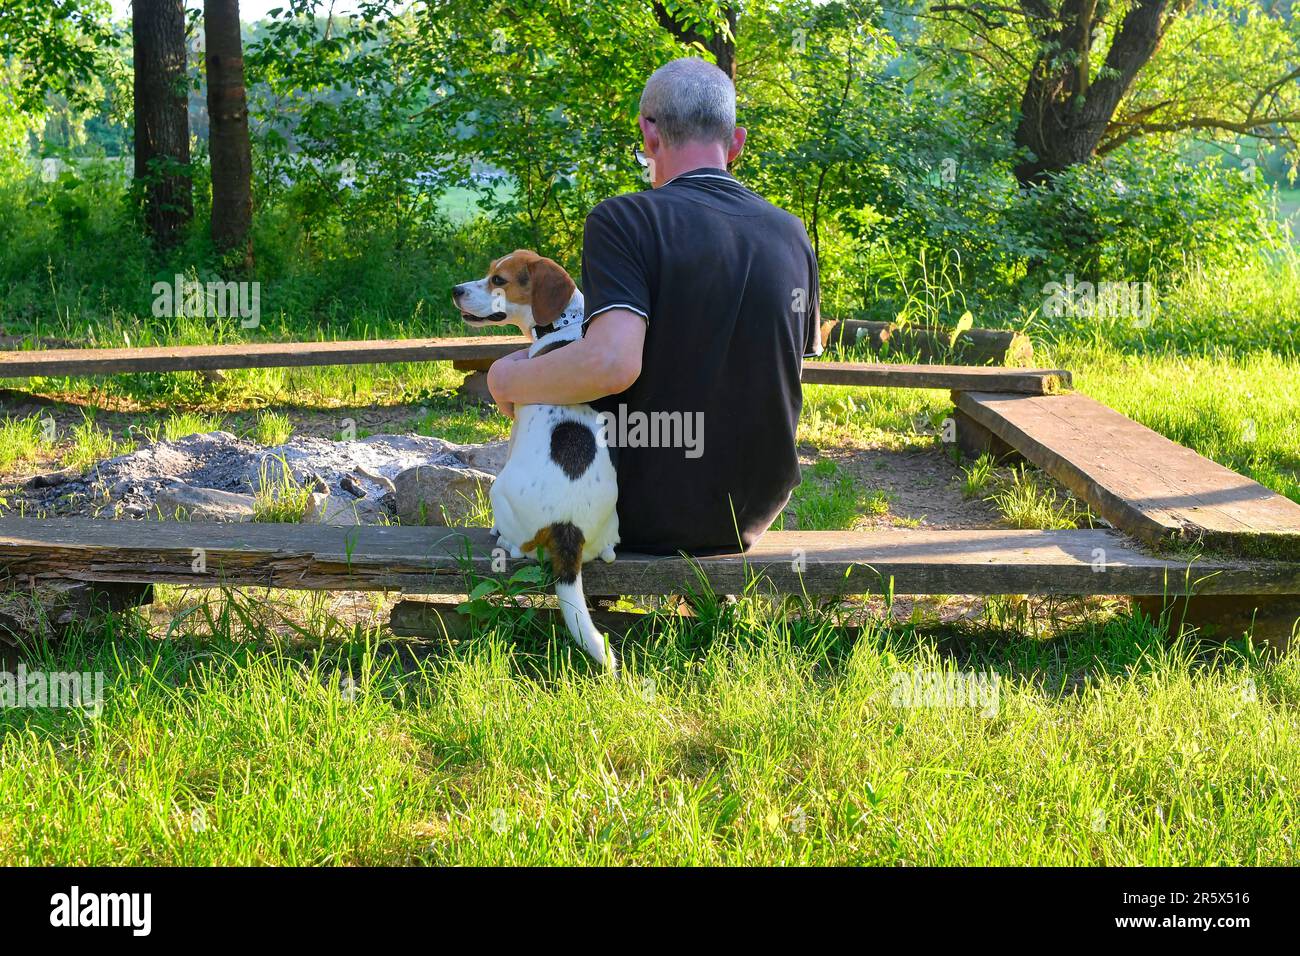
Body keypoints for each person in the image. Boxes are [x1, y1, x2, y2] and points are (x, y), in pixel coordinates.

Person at [487, 57, 821, 555]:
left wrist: (505, 378)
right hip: (749, 516)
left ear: (649, 134)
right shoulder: (792, 233)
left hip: (636, 514)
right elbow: (782, 368)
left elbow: (611, 362)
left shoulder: (624, 219)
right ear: (736, 143)